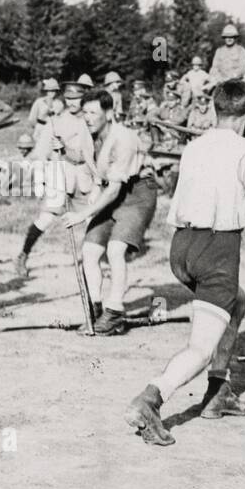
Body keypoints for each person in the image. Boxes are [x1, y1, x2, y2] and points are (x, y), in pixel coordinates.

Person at [124, 81, 245, 447]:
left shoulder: (194, 146)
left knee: (236, 303)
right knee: (199, 348)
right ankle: (150, 400)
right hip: (218, 250)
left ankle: (218, 391)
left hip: (181, 248)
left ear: (214, 109)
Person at [61, 89, 160, 335]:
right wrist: (61, 148)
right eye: (85, 112)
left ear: (108, 112)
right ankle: (95, 311)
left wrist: (82, 214)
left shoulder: (124, 138)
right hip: (111, 191)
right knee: (90, 250)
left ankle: (114, 312)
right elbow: (90, 165)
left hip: (138, 193)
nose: (88, 117)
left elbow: (115, 190)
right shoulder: (89, 135)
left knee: (116, 250)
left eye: (93, 112)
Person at [14, 81, 96, 279]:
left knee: (92, 219)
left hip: (85, 176)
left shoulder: (91, 119)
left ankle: (93, 262)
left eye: (76, 98)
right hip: (60, 175)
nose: (72, 102)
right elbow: (41, 152)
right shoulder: (56, 122)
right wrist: (41, 176)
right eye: (68, 98)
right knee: (46, 219)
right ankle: (23, 255)